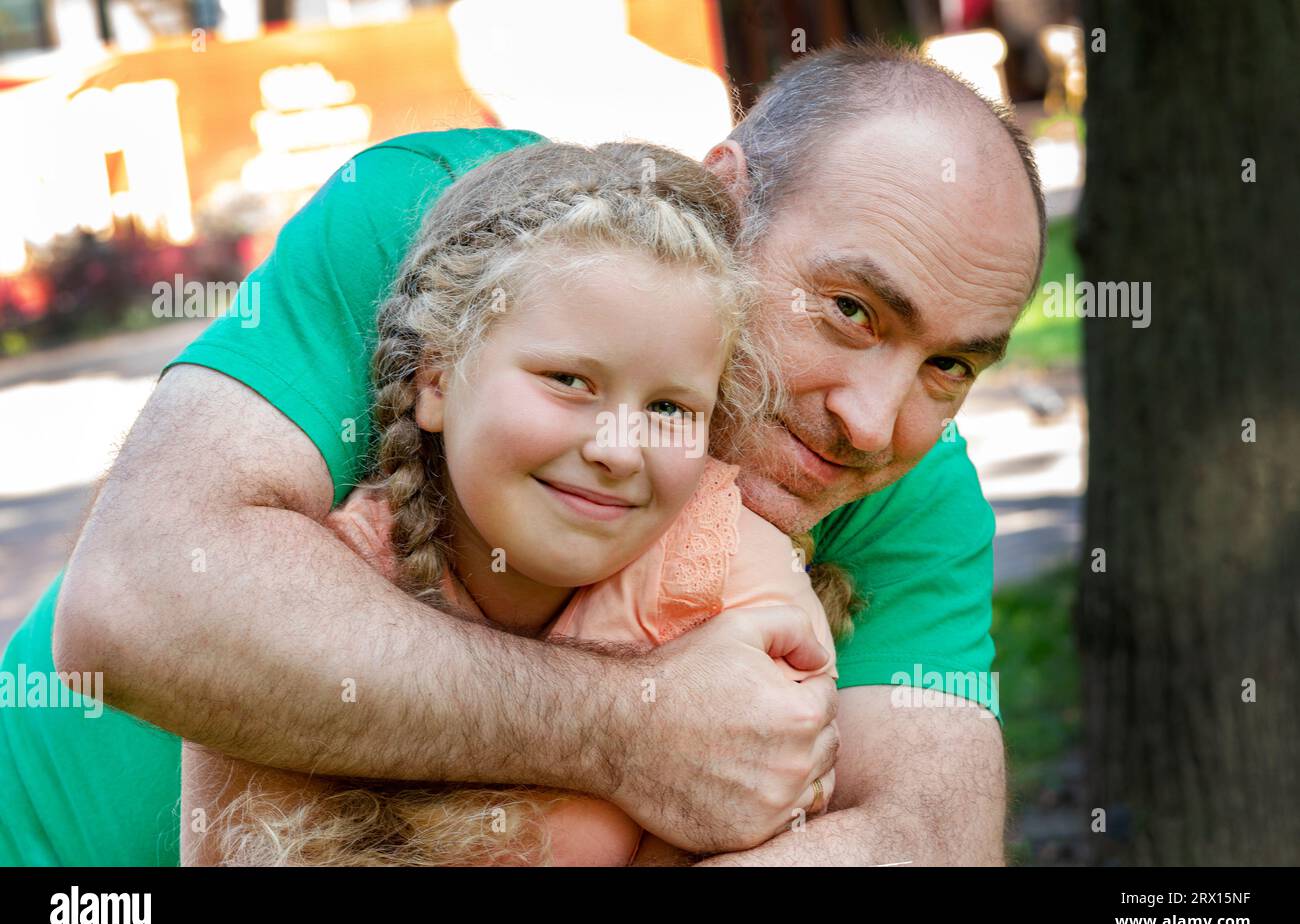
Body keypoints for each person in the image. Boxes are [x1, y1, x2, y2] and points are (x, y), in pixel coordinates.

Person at [1, 41, 1044, 866]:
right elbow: (137, 601)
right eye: (851, 309)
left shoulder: (912, 486)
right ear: (726, 200)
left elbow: (928, 840)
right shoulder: (454, 234)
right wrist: (628, 732)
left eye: (951, 365)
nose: (871, 420)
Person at [183, 139, 857, 866]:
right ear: (435, 381)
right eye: (569, 381)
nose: (618, 449)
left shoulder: (724, 567)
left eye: (668, 407)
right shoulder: (315, 601)